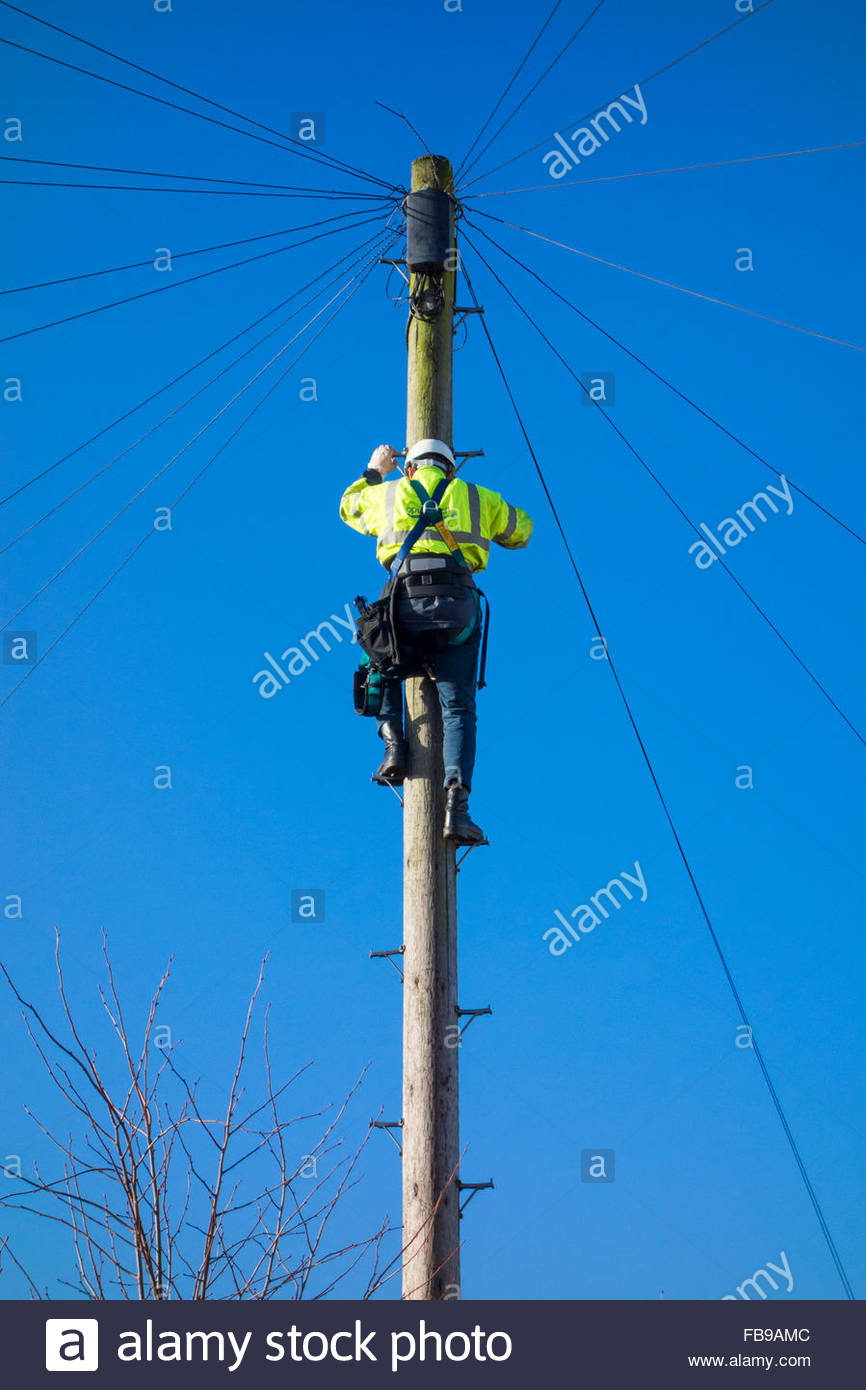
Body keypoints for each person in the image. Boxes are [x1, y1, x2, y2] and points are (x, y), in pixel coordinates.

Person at [340, 438, 533, 845]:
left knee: (381, 663)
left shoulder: (389, 493)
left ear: (408, 468)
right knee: (458, 709)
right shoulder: (478, 497)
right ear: (451, 469)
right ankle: (457, 810)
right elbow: (523, 531)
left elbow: (349, 506)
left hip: (403, 610)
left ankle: (394, 747)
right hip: (456, 611)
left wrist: (375, 470)